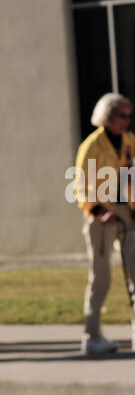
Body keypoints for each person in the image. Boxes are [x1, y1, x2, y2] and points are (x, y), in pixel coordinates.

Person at [73, 93, 135, 356]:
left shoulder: (130, 141)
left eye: (129, 116)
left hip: (126, 212)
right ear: (108, 116)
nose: (127, 121)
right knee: (101, 276)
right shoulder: (92, 145)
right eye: (122, 115)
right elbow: (80, 187)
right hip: (102, 215)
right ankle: (92, 335)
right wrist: (100, 212)